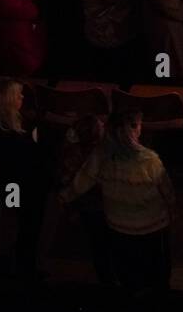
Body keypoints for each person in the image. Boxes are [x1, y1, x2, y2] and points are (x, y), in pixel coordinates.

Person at [64, 109, 174, 294]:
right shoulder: (150, 160)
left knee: (128, 273)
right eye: (139, 125)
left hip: (118, 225)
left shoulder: (100, 155)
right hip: (153, 227)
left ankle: (131, 310)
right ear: (133, 128)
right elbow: (167, 193)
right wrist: (172, 212)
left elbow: (81, 182)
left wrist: (63, 198)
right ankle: (158, 307)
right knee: (158, 275)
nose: (141, 130)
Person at [0, 77, 49, 277]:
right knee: (23, 226)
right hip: (19, 188)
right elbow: (20, 164)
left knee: (20, 223)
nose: (22, 96)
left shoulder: (0, 126)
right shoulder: (2, 133)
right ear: (8, 100)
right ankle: (22, 268)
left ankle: (17, 264)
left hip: (14, 187)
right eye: (18, 94)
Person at [57, 114, 114, 286]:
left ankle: (106, 279)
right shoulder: (100, 158)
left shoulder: (71, 155)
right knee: (106, 244)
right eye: (101, 127)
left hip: (87, 207)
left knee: (98, 245)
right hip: (102, 207)